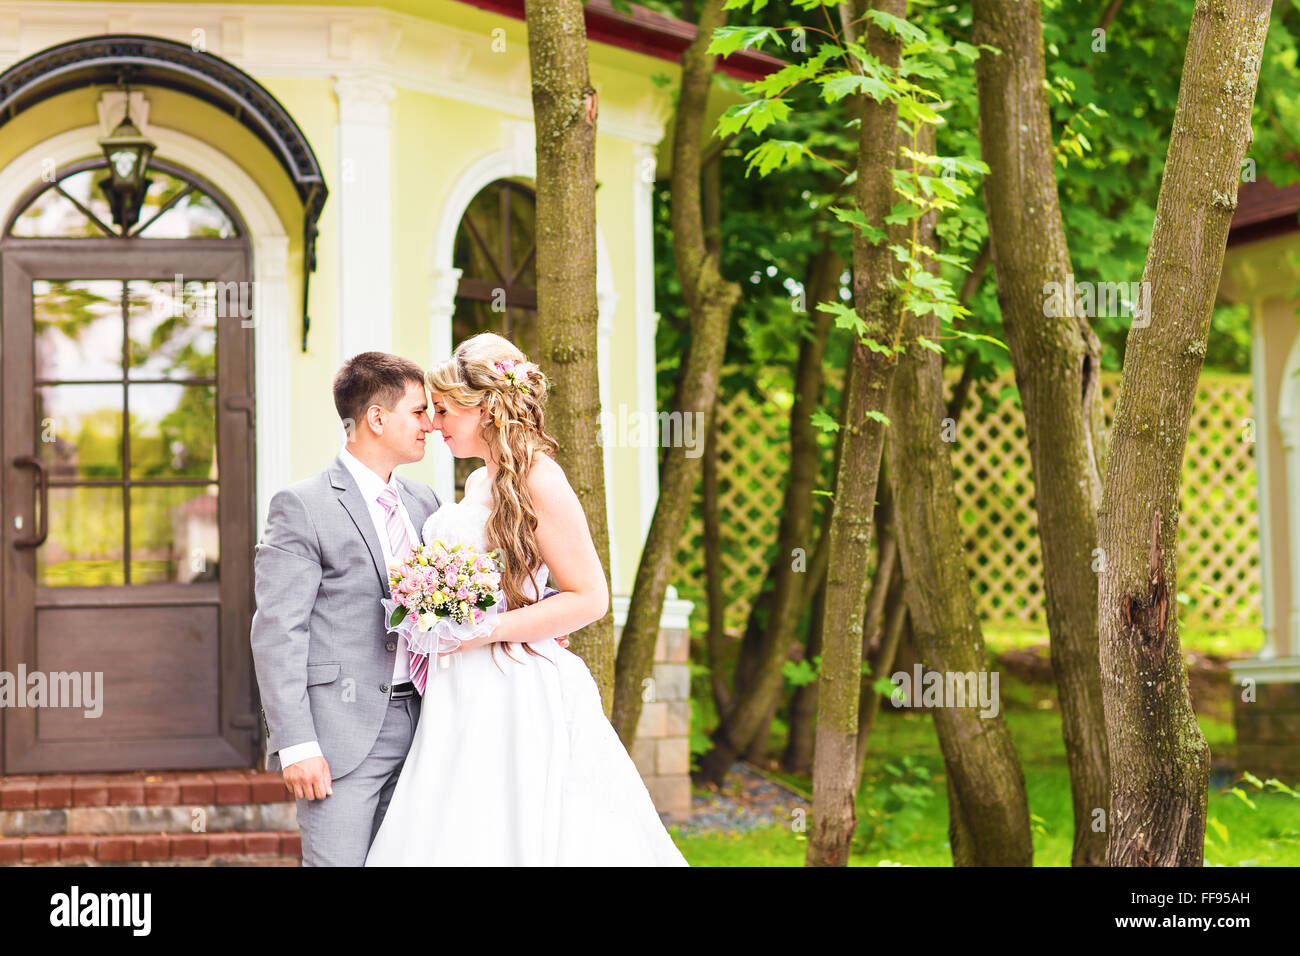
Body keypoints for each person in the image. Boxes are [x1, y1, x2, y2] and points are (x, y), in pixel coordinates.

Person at [365, 332, 688, 866]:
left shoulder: (541, 478)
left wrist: (478, 631)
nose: (435, 424)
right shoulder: (479, 483)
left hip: (512, 684)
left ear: (486, 408)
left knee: (512, 828)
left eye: (444, 411)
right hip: (457, 688)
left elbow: (590, 597)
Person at [251, 352, 444, 866]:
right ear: (377, 419)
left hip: (429, 722)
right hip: (343, 737)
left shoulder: (425, 502)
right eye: (419, 411)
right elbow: (278, 631)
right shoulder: (302, 505)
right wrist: (295, 744)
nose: (431, 424)